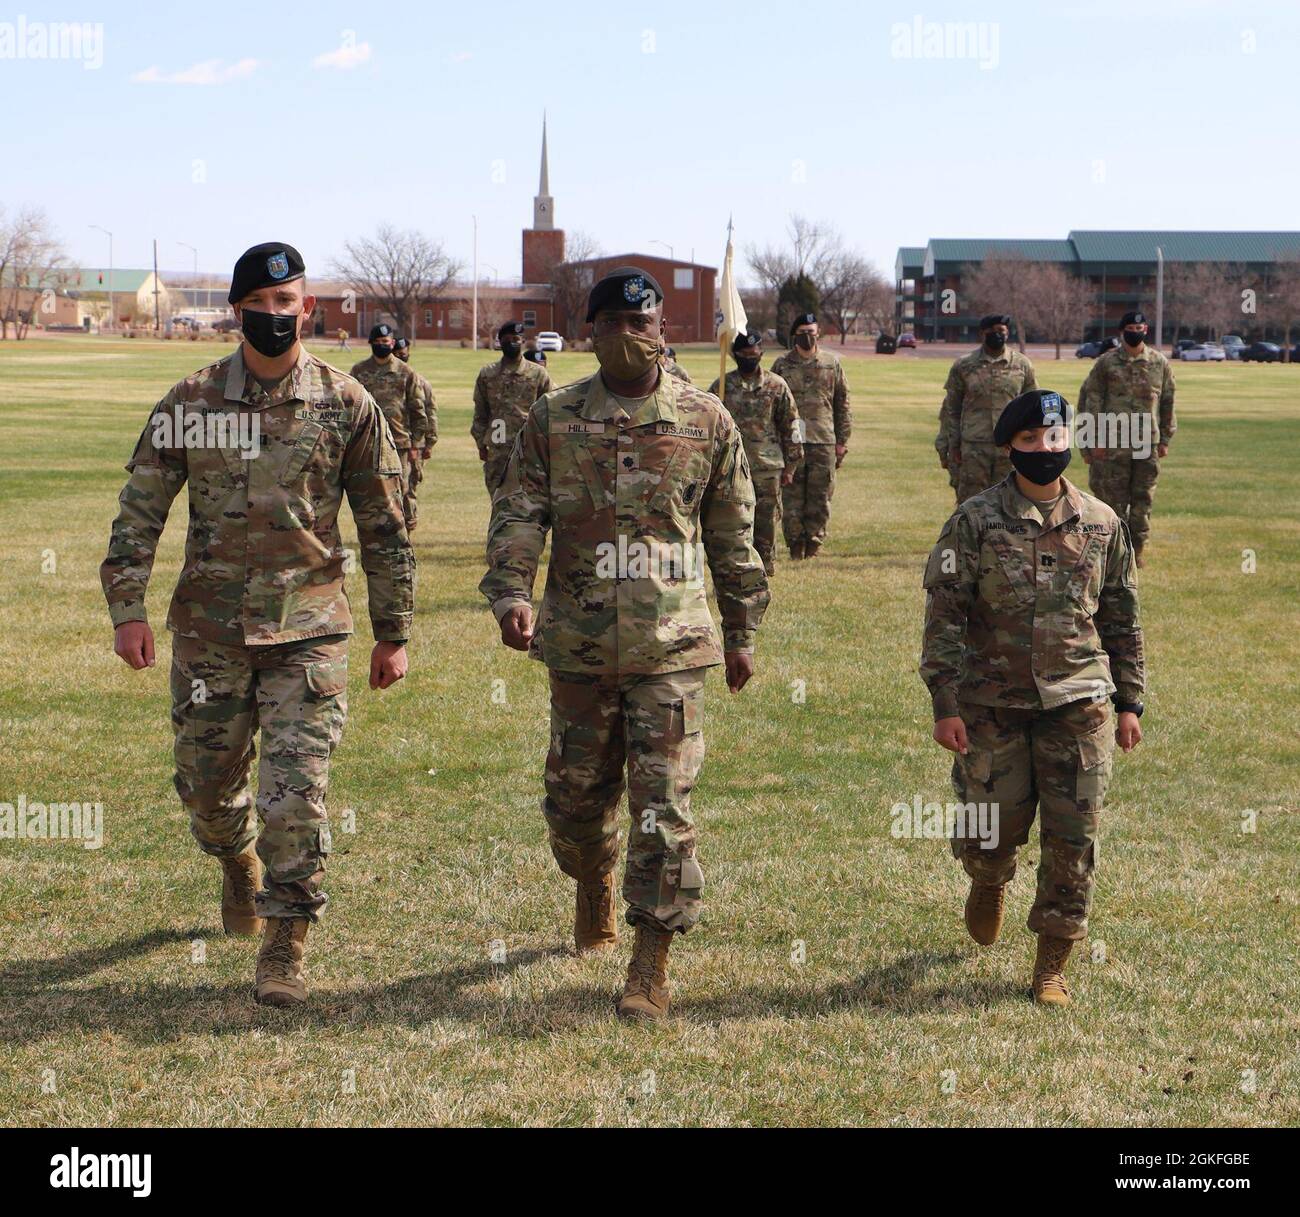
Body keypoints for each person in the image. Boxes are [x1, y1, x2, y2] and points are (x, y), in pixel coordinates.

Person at [100, 242, 414, 1006]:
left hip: (308, 630)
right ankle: (234, 859)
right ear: (237, 311)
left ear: (308, 309)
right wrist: (128, 609)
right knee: (208, 790)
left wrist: (393, 627)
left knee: (295, 793)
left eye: (288, 304)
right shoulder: (192, 400)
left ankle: (285, 943)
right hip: (209, 634)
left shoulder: (346, 404)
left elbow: (384, 522)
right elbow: (141, 507)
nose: (274, 316)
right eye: (259, 305)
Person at [480, 267, 769, 1021]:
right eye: (617, 324)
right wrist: (511, 592)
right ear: (593, 333)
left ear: (662, 327)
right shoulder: (555, 416)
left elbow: (734, 537)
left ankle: (650, 958)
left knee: (662, 805)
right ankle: (590, 877)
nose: (634, 337)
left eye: (646, 323)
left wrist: (742, 631)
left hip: (670, 647)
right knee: (574, 805)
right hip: (577, 641)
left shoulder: (706, 421)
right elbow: (518, 511)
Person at [920, 389, 1144, 1006]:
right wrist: (945, 702)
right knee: (991, 832)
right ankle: (989, 879)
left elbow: (1122, 615)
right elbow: (944, 614)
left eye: (1054, 439)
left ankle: (1051, 962)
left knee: (1074, 839)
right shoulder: (974, 521)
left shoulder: (1102, 521)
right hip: (993, 703)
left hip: (1080, 700)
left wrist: (1130, 701)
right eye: (1030, 442)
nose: (1045, 450)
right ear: (1009, 448)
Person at [1076, 311, 1176, 567]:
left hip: (1146, 443)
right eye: (1131, 326)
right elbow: (1090, 402)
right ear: (1122, 331)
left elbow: (1167, 402)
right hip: (1111, 444)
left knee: (1142, 500)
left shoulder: (1159, 363)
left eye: (1140, 326)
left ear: (1146, 330)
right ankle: (1112, 552)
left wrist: (1165, 438)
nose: (1136, 330)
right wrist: (1090, 444)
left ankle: (1137, 551)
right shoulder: (1105, 363)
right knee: (1111, 502)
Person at [707, 331, 803, 575]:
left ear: (761, 354)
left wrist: (791, 465)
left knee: (766, 520)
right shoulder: (722, 385)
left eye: (754, 354)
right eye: (744, 355)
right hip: (731, 466)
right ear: (735, 356)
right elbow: (709, 425)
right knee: (733, 520)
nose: (750, 358)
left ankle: (766, 566)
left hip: (767, 466)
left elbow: (792, 425)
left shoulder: (776, 385)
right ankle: (736, 567)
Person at [771, 313, 851, 559]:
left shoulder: (831, 363)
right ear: (795, 335)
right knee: (791, 497)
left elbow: (842, 403)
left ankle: (814, 544)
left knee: (820, 496)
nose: (808, 336)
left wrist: (842, 441)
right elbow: (772, 404)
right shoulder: (782, 365)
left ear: (818, 334)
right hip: (792, 440)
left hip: (823, 439)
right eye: (803, 332)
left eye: (812, 332)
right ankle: (795, 546)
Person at [940, 313, 1038, 502]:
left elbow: (1032, 408)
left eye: (1001, 330)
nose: (997, 334)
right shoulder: (964, 366)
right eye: (991, 331)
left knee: (1010, 501)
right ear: (982, 334)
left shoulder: (1022, 365)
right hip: (973, 448)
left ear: (1008, 333)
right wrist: (952, 446)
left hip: (1009, 447)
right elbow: (951, 409)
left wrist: (1031, 444)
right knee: (971, 503)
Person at [350, 324, 430, 532]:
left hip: (399, 443)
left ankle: (406, 530)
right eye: (376, 343)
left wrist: (416, 444)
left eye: (385, 342)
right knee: (371, 490)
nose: (381, 346)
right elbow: (350, 407)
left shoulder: (406, 372)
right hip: (368, 441)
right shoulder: (359, 371)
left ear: (392, 343)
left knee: (402, 489)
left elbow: (418, 411)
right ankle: (378, 532)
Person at [471, 320, 554, 494]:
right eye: (507, 339)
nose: (512, 342)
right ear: (500, 342)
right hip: (497, 451)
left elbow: (551, 412)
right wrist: (480, 443)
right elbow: (480, 412)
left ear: (523, 341)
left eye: (516, 338)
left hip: (529, 449)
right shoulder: (488, 374)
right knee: (498, 501)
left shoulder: (538, 374)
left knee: (529, 503)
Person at [393, 336, 438, 485]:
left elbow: (430, 412)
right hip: (390, 443)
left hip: (414, 445)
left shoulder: (421, 382)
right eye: (396, 354)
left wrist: (430, 443)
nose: (400, 356)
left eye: (403, 353)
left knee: (409, 491)